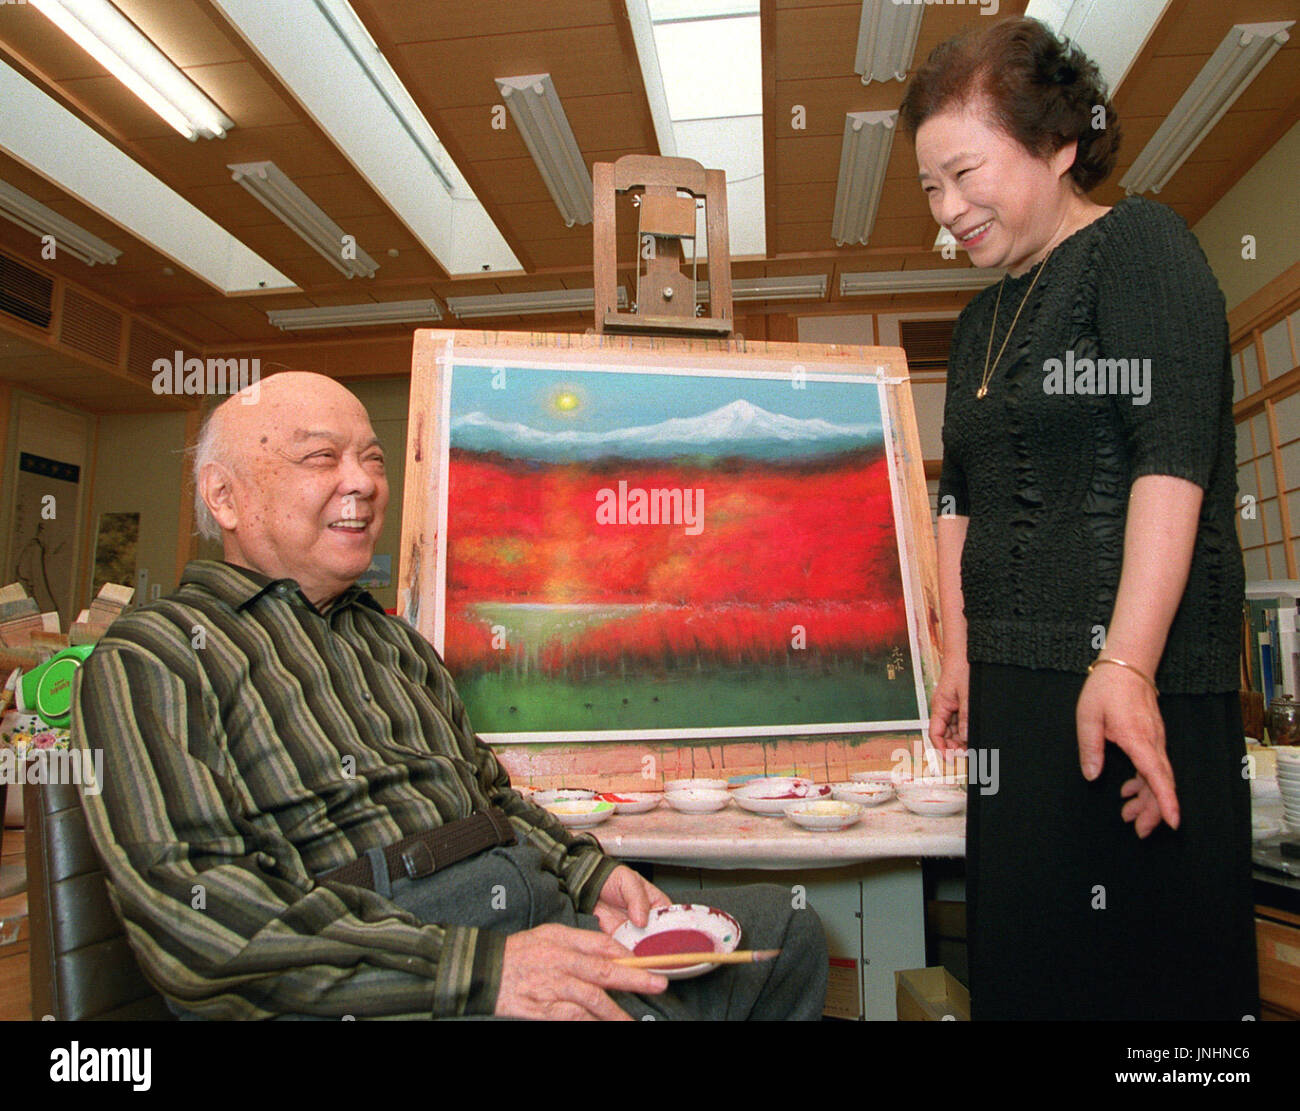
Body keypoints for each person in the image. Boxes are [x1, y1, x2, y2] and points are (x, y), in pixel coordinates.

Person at [71, 370, 827, 1020]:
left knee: (784, 934)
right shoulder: (155, 655)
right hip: (389, 956)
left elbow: (497, 797)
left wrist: (589, 873)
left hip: (525, 903)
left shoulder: (395, 643)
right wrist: (478, 972)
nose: (363, 481)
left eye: (371, 458)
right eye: (321, 457)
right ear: (224, 497)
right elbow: (193, 919)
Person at [902, 17, 1257, 1020]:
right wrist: (960, 654)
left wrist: (1129, 664)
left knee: (1145, 996)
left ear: (1059, 142)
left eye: (965, 173)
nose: (947, 209)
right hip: (1016, 701)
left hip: (1126, 690)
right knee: (1028, 974)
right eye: (930, 186)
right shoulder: (980, 319)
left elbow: (1172, 456)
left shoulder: (1139, 246)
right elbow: (958, 492)